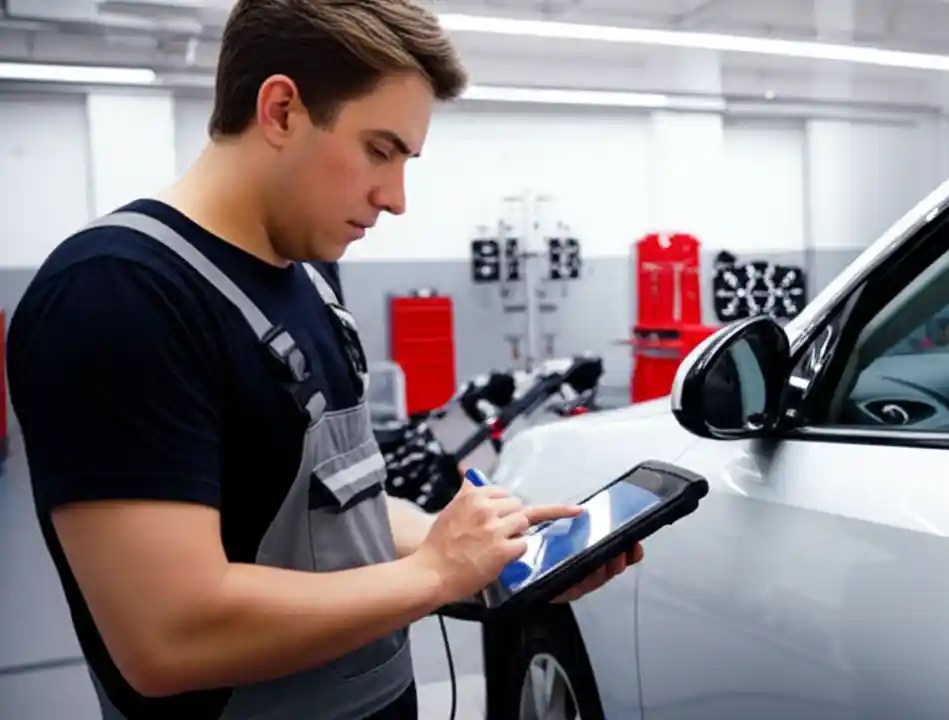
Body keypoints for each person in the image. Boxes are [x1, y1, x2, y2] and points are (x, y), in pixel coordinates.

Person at [4, 1, 641, 718]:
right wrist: (435, 573)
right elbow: (168, 636)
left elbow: (348, 516)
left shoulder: (309, 273)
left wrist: (484, 559)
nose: (395, 199)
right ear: (279, 110)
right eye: (379, 149)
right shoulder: (116, 297)